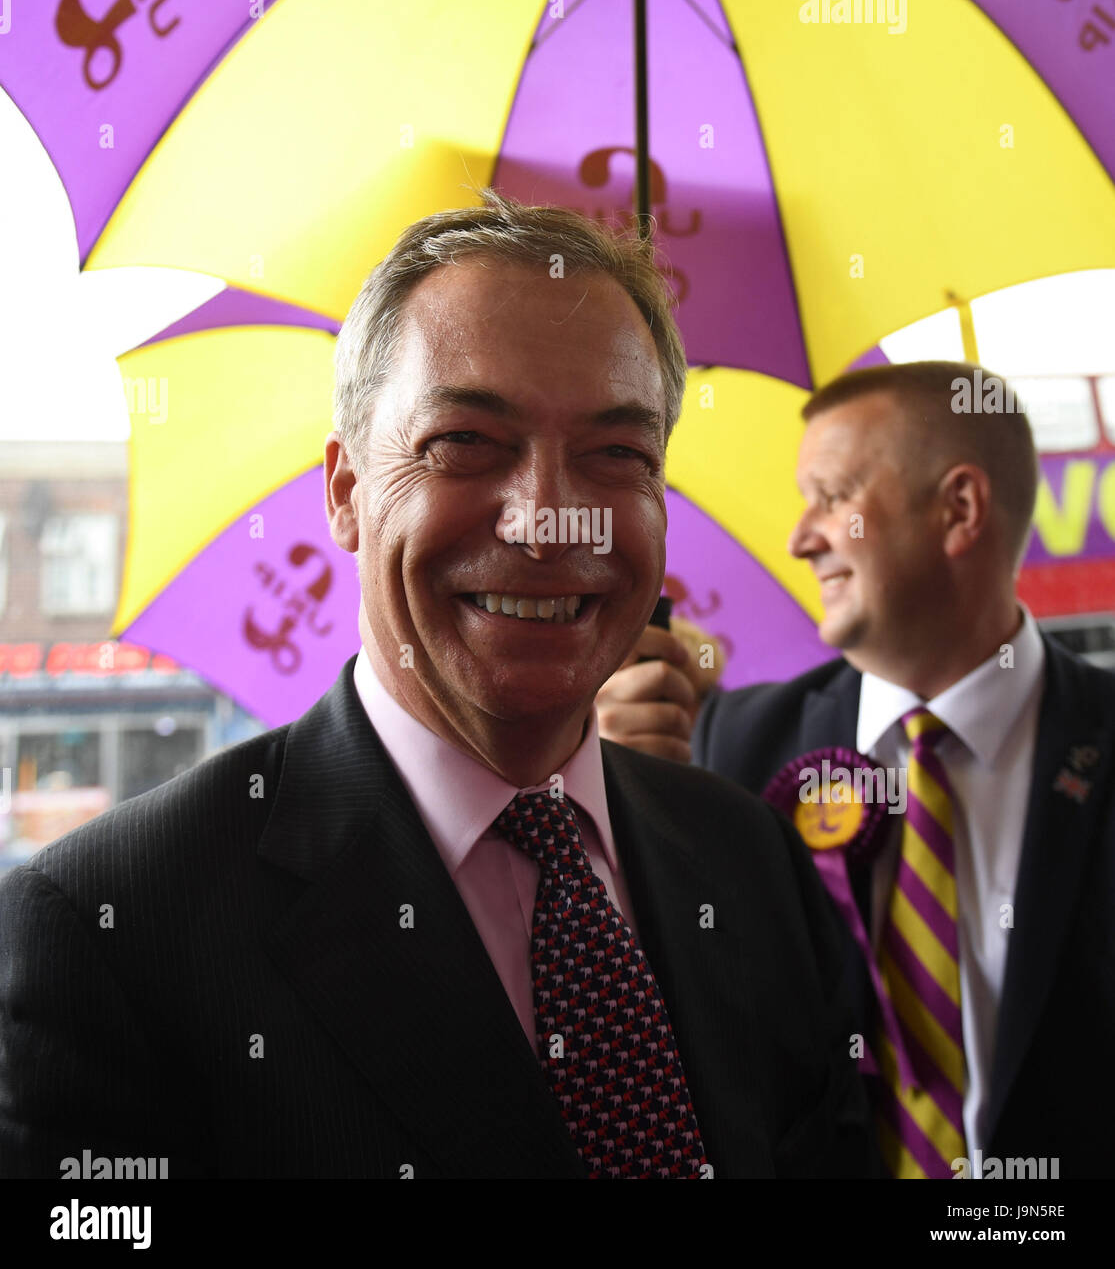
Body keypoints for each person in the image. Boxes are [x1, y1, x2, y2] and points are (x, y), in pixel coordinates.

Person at [0, 192, 876, 1179]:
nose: (548, 522)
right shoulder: (114, 928)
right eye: (464, 441)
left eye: (615, 454)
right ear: (345, 491)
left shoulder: (744, 858)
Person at [598, 361, 1115, 1179]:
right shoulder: (726, 747)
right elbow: (698, 1042)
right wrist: (633, 812)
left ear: (959, 509)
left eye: (833, 496)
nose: (801, 538)